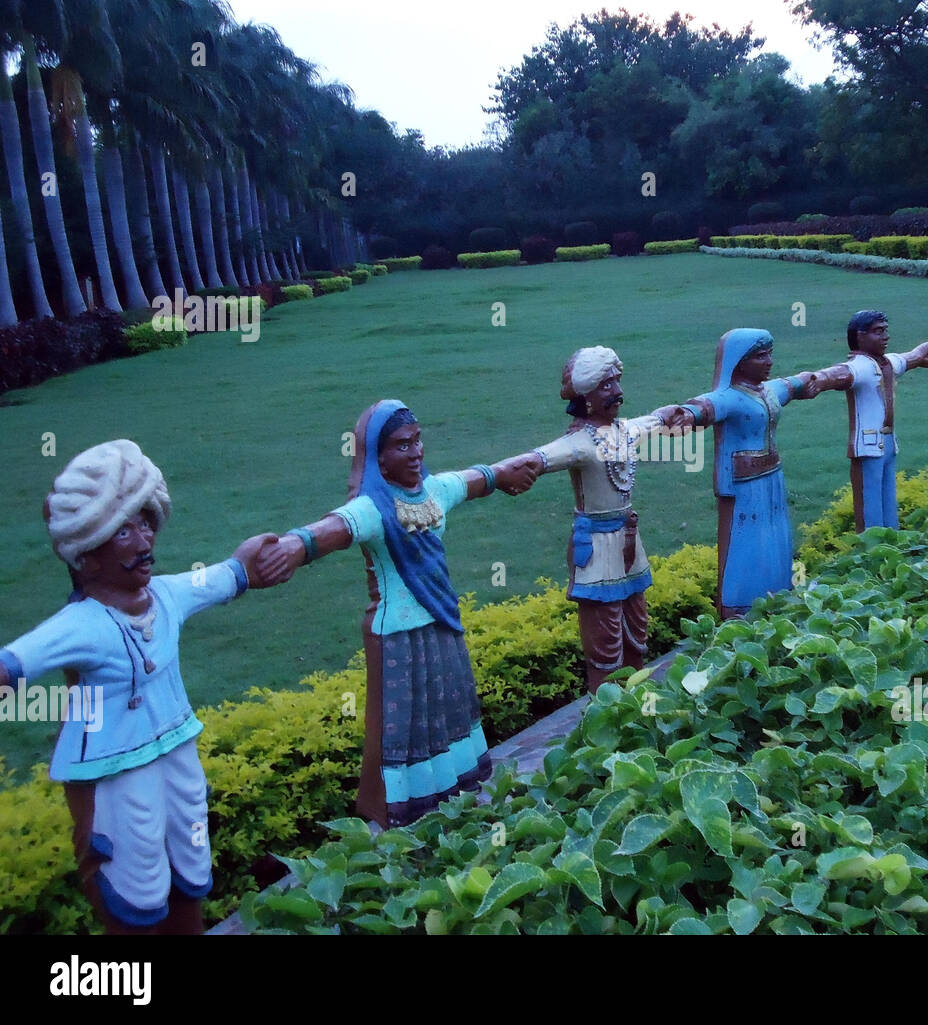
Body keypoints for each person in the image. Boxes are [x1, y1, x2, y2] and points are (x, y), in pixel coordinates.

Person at [0, 439, 282, 934]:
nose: (144, 541)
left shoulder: (166, 596)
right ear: (86, 555)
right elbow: (17, 662)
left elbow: (226, 577)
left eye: (146, 523)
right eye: (124, 530)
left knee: (190, 862)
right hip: (115, 774)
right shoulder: (82, 625)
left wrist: (256, 562)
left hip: (176, 753)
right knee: (132, 878)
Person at [254, 400, 540, 827]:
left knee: (451, 709)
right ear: (378, 459)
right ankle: (405, 812)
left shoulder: (433, 492)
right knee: (405, 726)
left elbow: (476, 479)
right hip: (399, 637)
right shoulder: (373, 509)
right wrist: (293, 547)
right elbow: (332, 530)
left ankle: (454, 796)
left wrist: (507, 474)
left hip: (442, 624)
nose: (416, 452)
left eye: (418, 441)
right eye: (403, 446)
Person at [522, 348, 681, 693]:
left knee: (636, 632)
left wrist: (678, 414)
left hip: (629, 541)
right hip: (596, 549)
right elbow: (539, 458)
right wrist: (497, 475)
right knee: (604, 642)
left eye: (617, 382)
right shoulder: (579, 443)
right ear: (587, 397)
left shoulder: (624, 430)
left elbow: (657, 419)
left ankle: (637, 705)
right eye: (606, 386)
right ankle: (605, 713)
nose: (617, 392)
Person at [660, 328, 834, 618]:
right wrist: (681, 415)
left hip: (772, 480)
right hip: (744, 488)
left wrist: (814, 381)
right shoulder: (730, 398)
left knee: (775, 535)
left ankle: (777, 592)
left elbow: (796, 384)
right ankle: (740, 605)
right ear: (739, 362)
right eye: (760, 356)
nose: (769, 361)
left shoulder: (769, 391)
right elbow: (701, 408)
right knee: (747, 542)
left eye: (770, 354)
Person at [800, 311, 928, 531]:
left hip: (888, 443)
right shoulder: (860, 367)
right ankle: (872, 546)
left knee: (888, 497)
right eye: (878, 332)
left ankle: (891, 540)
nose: (885, 336)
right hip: (868, 446)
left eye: (885, 330)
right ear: (860, 336)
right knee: (870, 500)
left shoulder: (888, 363)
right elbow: (836, 374)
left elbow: (913, 357)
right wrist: (815, 380)